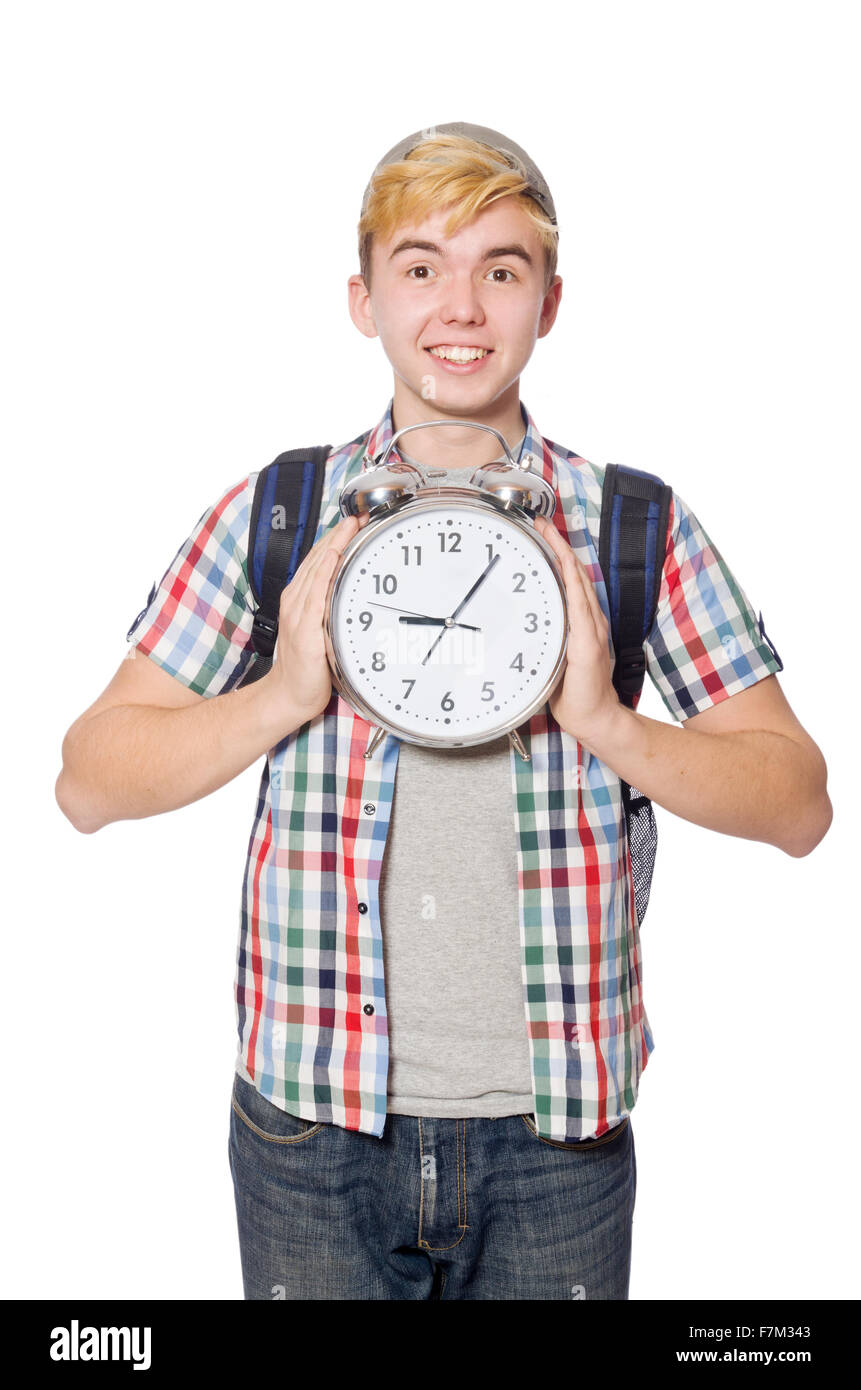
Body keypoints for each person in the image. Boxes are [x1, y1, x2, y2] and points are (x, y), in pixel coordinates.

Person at [55, 122, 832, 1301]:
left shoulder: (633, 528)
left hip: (554, 1141)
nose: (460, 306)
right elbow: (87, 780)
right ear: (363, 298)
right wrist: (281, 696)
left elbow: (800, 805)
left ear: (550, 302)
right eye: (421, 266)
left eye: (501, 269)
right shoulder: (279, 513)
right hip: (311, 1131)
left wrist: (611, 725)